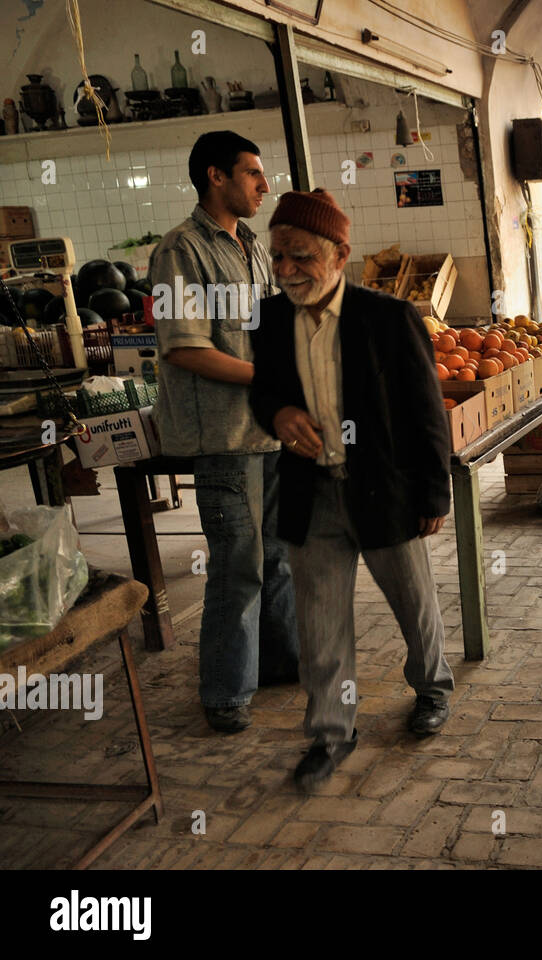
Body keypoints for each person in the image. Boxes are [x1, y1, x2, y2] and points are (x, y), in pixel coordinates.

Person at [249, 189, 456, 789]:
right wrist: (280, 414)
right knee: (320, 626)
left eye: (300, 257)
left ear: (339, 255)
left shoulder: (388, 319)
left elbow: (426, 412)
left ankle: (431, 690)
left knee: (414, 605)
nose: (286, 271)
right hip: (311, 497)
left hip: (384, 490)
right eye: (278, 257)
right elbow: (262, 394)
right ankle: (331, 733)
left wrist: (433, 494)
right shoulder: (267, 319)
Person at [148, 130, 298, 734]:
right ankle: (225, 693)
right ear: (215, 176)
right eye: (252, 173)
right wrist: (267, 376)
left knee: (278, 557)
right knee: (238, 564)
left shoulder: (254, 249)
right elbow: (183, 348)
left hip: (266, 430)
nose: (264, 184)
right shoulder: (179, 252)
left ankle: (282, 665)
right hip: (222, 438)